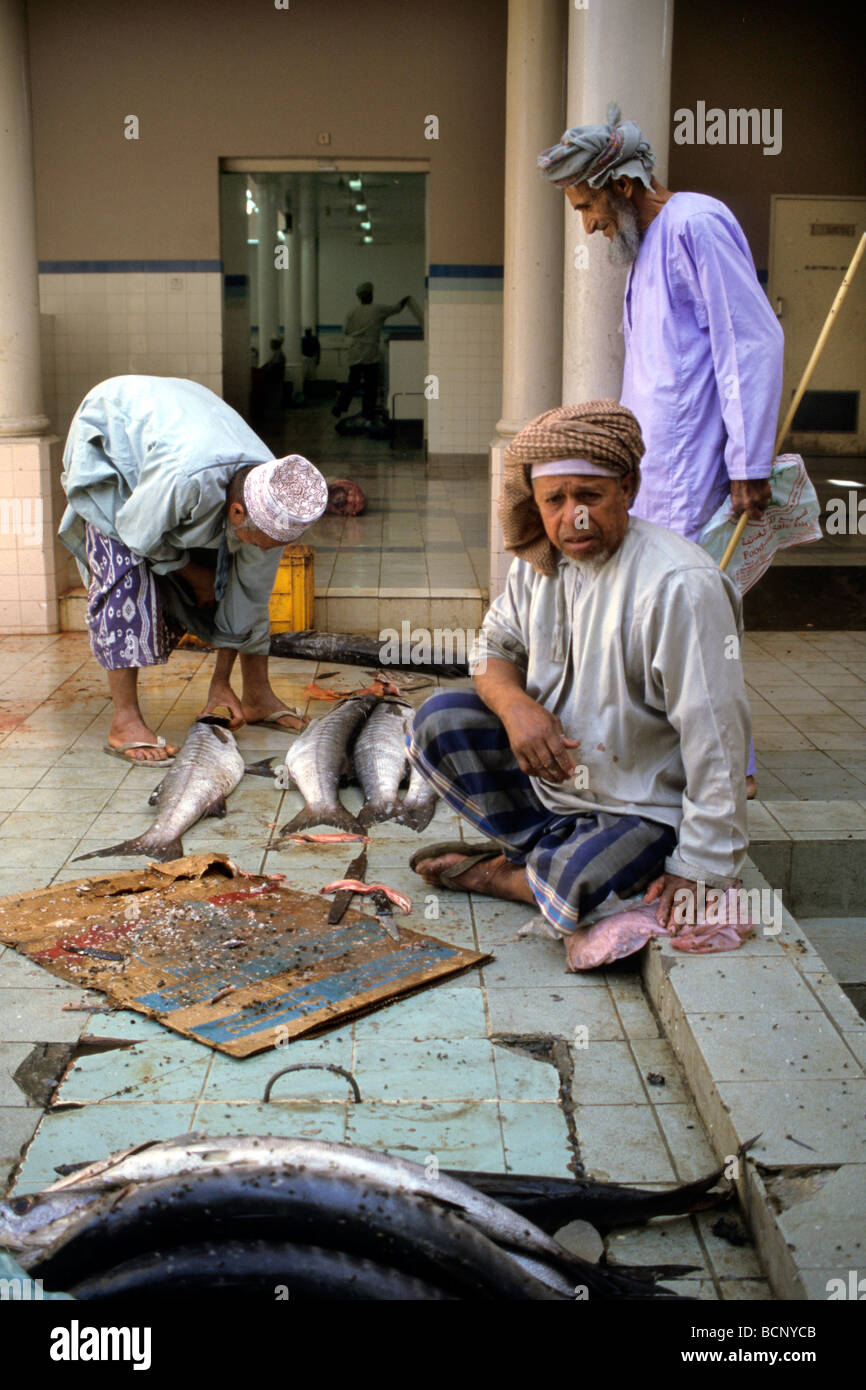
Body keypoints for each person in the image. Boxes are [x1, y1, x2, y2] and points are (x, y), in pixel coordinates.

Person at [408, 402, 751, 968]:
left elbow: (718, 738)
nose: (575, 518)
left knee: (574, 877)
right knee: (437, 721)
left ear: (629, 488)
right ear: (537, 504)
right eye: (555, 500)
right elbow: (493, 648)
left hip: (642, 807)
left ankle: (513, 877)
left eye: (590, 496)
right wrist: (516, 706)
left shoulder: (679, 585)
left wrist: (703, 867)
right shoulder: (539, 563)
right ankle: (544, 860)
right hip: (556, 791)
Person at [537, 106, 783, 797]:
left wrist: (749, 463)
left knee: (694, 611)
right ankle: (681, 752)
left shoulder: (695, 222)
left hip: (700, 463)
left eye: (587, 205)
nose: (588, 225)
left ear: (619, 186)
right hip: (656, 469)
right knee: (663, 613)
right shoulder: (649, 250)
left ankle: (730, 766)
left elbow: (750, 341)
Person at [59, 375, 328, 764]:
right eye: (263, 541)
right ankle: (124, 722)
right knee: (123, 572)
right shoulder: (184, 479)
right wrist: (189, 572)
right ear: (237, 512)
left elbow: (248, 595)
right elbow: (136, 533)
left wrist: (219, 685)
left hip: (183, 428)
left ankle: (255, 696)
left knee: (243, 578)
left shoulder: (271, 499)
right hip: (112, 440)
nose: (268, 550)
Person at [332, 281, 409, 422]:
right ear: (371, 294)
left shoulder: (352, 312)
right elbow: (396, 309)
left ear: (359, 297)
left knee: (353, 382)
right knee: (370, 386)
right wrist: (404, 300)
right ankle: (367, 412)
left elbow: (346, 331)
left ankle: (340, 405)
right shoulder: (377, 309)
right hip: (370, 354)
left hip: (354, 353)